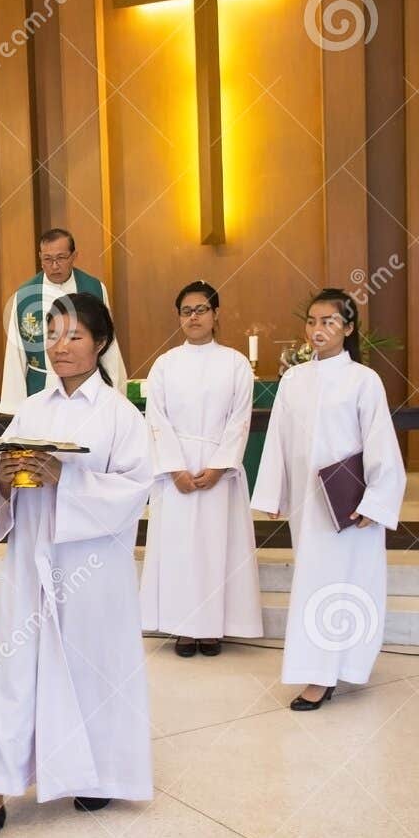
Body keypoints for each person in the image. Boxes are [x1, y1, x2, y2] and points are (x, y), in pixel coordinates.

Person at [0, 293, 153, 834]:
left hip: (90, 564)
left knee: (90, 666)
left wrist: (66, 479)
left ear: (100, 342)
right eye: (52, 335)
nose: (60, 347)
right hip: (30, 556)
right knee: (13, 666)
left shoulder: (120, 415)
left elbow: (135, 490)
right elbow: (1, 481)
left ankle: (96, 773)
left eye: (74, 336)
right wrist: (1, 481)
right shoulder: (32, 409)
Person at [250, 288, 405, 711]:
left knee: (348, 584)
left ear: (348, 328)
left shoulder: (363, 380)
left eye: (329, 321)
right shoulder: (294, 379)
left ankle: (333, 671)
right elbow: (278, 439)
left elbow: (380, 442)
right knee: (314, 584)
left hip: (348, 504)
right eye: (312, 321)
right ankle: (322, 669)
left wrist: (375, 502)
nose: (318, 329)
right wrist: (275, 492)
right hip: (308, 504)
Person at [139, 281, 263, 656]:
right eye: (186, 311)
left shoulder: (235, 363)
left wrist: (219, 467)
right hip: (175, 472)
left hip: (218, 471)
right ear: (179, 317)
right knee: (179, 550)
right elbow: (156, 418)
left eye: (201, 310)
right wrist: (175, 469)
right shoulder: (165, 364)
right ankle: (183, 628)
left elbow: (240, 419)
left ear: (215, 314)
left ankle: (213, 628)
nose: (193, 317)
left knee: (215, 548)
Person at [0, 228, 128, 413]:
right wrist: (14, 409)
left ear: (74, 256)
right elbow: (15, 354)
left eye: (61, 258)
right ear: (40, 257)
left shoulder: (94, 289)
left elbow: (108, 344)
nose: (54, 266)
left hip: (87, 387)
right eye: (47, 259)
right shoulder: (25, 296)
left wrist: (115, 394)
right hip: (41, 389)